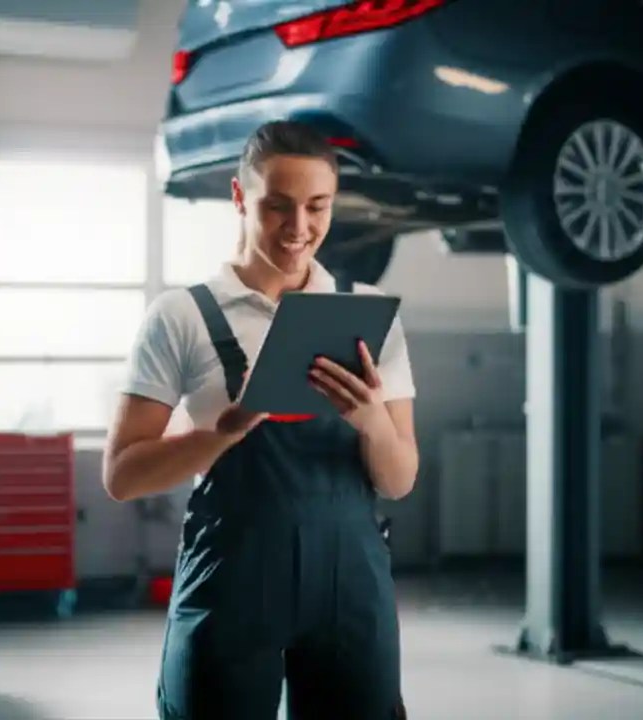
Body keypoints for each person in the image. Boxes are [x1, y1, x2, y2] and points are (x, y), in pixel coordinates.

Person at [103, 120, 419, 720]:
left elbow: (400, 479)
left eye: (317, 207)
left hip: (348, 585)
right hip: (232, 584)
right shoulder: (182, 316)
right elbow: (122, 476)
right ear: (240, 197)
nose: (299, 229)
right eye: (277, 206)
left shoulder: (369, 312)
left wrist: (374, 422)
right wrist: (221, 433)